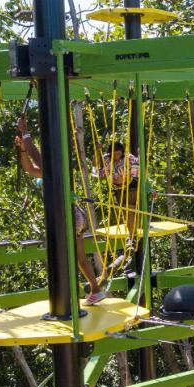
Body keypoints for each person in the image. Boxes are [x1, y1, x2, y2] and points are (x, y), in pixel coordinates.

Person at [16, 117, 106, 305]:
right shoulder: (52, 169)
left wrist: (25, 132)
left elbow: (35, 155)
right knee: (80, 258)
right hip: (76, 215)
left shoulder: (55, 165)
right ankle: (95, 290)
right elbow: (30, 168)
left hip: (67, 215)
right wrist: (23, 148)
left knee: (63, 257)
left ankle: (67, 299)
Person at [98, 141, 140, 269]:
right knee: (126, 213)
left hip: (130, 186)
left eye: (118, 153)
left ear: (121, 152)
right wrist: (97, 152)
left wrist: (125, 177)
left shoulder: (129, 158)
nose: (116, 155)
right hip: (118, 189)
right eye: (114, 153)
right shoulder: (106, 159)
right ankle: (130, 239)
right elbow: (99, 172)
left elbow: (136, 172)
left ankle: (131, 239)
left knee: (130, 210)